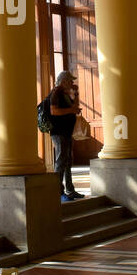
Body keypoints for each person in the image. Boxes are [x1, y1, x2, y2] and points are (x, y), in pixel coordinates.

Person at [47, 71, 83, 201]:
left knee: (68, 161)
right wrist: (71, 110)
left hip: (67, 132)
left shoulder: (65, 94)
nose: (72, 83)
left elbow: (74, 106)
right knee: (61, 161)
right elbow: (54, 111)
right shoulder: (56, 92)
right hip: (59, 132)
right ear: (63, 81)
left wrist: (76, 94)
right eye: (70, 81)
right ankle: (58, 192)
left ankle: (70, 190)